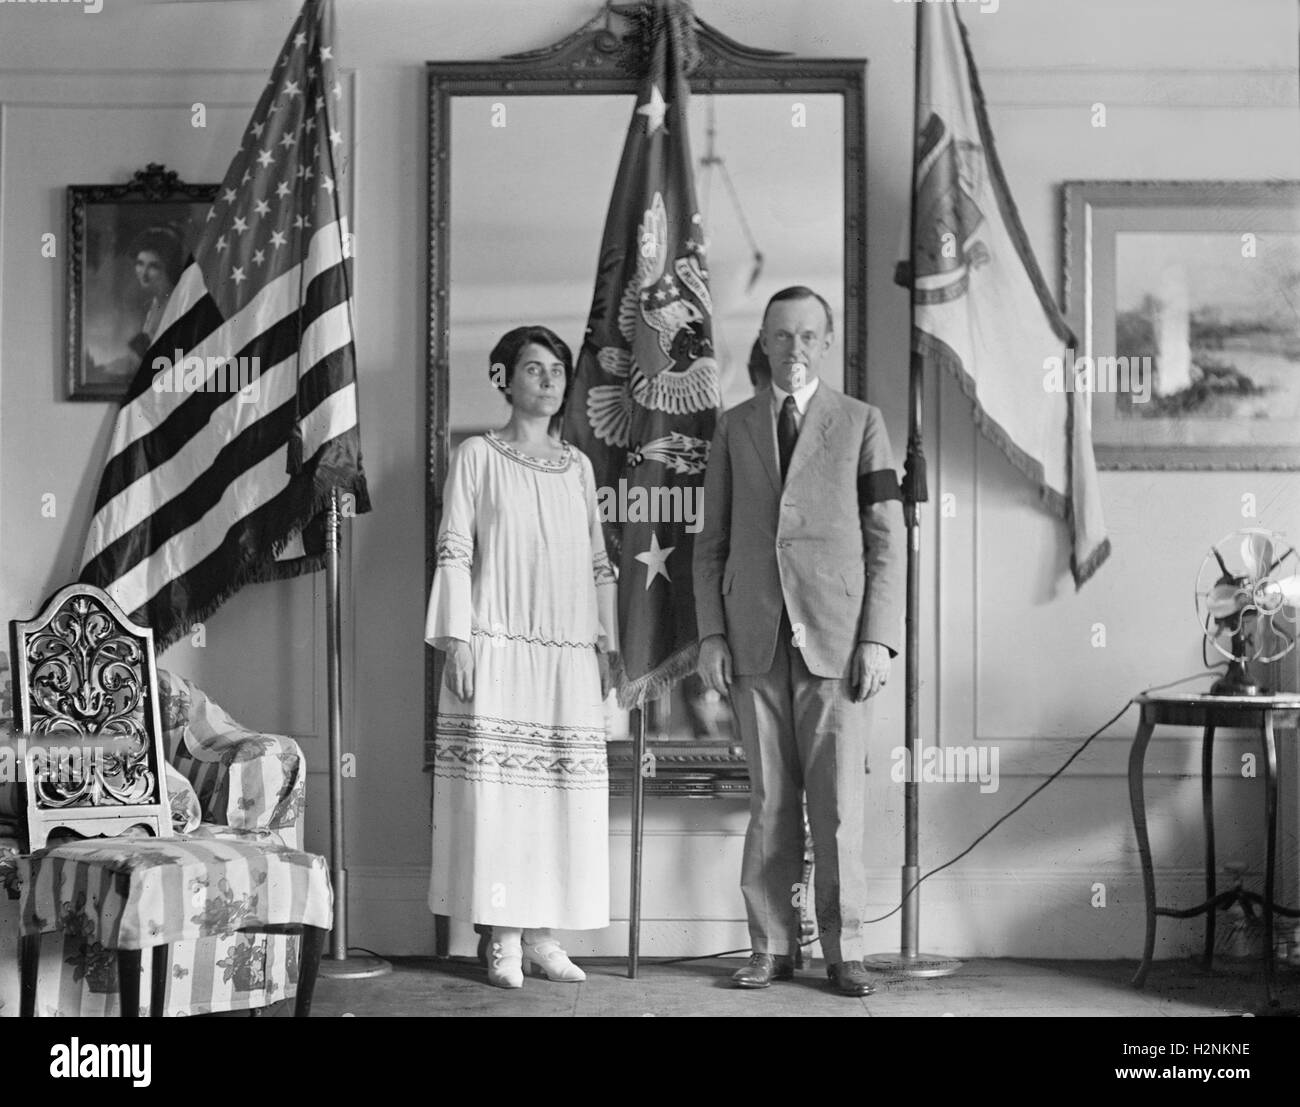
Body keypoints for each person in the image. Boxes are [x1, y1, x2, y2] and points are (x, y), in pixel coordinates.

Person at [693, 286, 905, 997]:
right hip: (754, 637)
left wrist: (876, 638)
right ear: (763, 339)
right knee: (770, 803)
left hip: (838, 644)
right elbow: (710, 544)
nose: (794, 348)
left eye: (808, 335)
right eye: (781, 335)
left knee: (838, 805)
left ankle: (847, 951)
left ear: (827, 340)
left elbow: (886, 543)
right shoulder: (734, 427)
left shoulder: (862, 423)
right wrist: (712, 635)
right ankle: (772, 946)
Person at [425, 325, 619, 989]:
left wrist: (605, 643)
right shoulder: (477, 455)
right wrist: (459, 637)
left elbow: (599, 563)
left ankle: (542, 936)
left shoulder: (580, 467)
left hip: (566, 656)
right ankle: (501, 937)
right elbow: (454, 547)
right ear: (504, 377)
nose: (548, 380)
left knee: (560, 800)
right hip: (499, 645)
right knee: (502, 801)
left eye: (557, 370)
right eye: (533, 369)